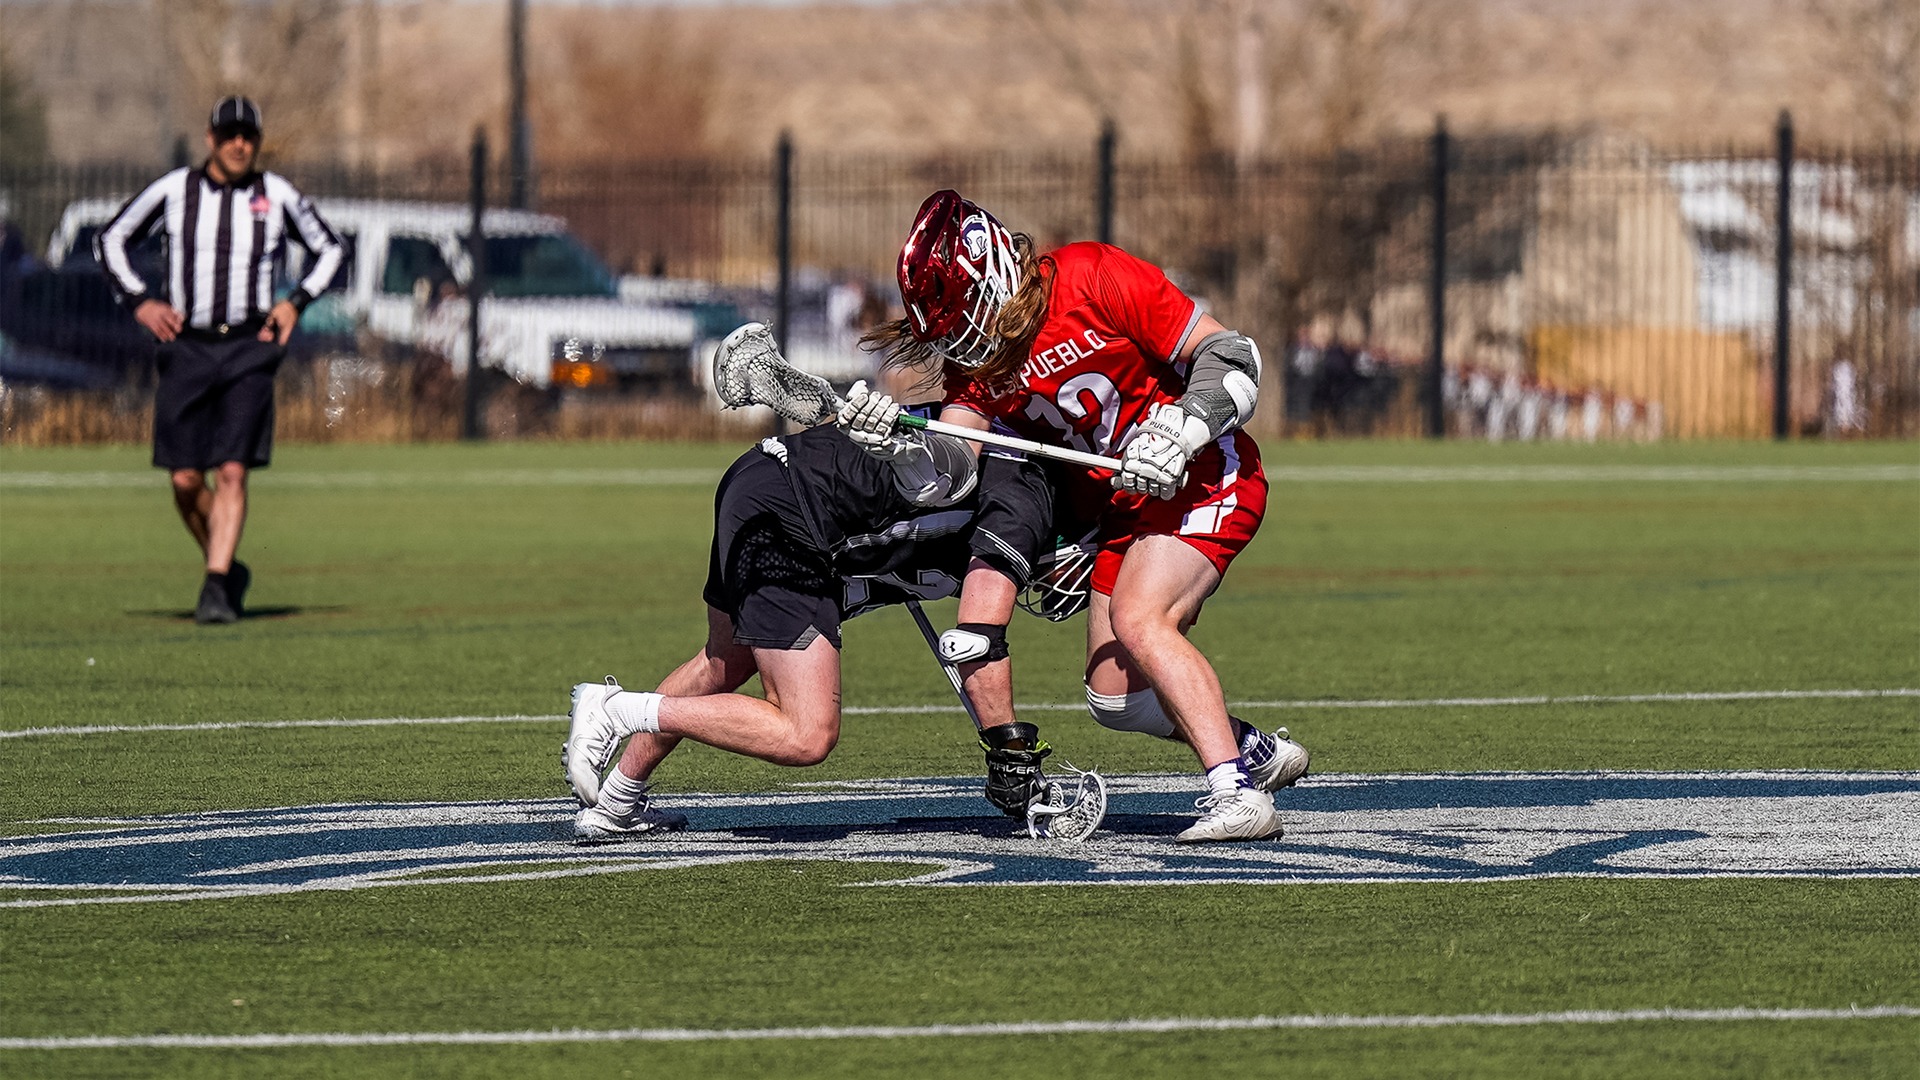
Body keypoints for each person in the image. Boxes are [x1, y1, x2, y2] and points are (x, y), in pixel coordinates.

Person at [848, 190, 1304, 843]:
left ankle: (1236, 794)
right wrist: (895, 440)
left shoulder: (1091, 276)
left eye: (964, 313)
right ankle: (1251, 749)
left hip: (1205, 473)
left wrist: (1179, 430)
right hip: (1127, 508)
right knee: (1115, 698)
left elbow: (1234, 358)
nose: (959, 339)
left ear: (996, 269)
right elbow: (951, 468)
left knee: (1141, 618)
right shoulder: (980, 370)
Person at [561, 397, 1079, 843]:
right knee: (806, 733)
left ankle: (615, 803)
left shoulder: (1002, 454)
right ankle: (616, 708)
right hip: (795, 514)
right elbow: (975, 641)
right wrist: (1010, 752)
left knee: (726, 659)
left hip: (760, 479)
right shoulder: (1029, 495)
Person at [93, 95, 344, 624]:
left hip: (250, 347)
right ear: (210, 138)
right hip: (187, 345)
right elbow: (110, 238)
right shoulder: (174, 190)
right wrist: (141, 302)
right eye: (229, 134)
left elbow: (331, 249)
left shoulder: (274, 195)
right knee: (186, 479)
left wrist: (294, 302)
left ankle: (213, 586)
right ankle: (228, 567)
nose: (239, 144)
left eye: (248, 136)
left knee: (232, 470)